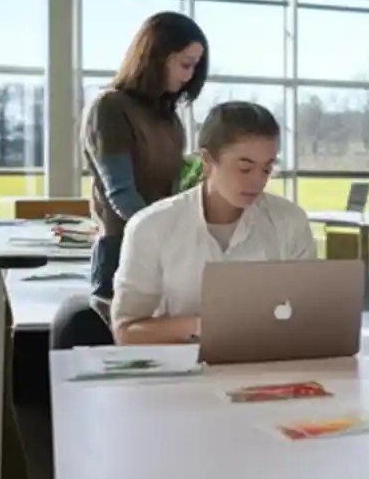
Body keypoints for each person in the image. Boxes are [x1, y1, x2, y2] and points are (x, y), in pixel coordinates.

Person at [110, 102, 316, 345]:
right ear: (207, 161)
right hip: (177, 372)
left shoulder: (289, 221)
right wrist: (206, 325)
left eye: (267, 169)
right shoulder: (151, 226)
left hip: (265, 369)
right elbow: (126, 331)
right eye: (245, 167)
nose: (257, 181)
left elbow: (311, 316)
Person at [82, 11, 209, 298]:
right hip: (122, 252)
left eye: (195, 67)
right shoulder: (110, 108)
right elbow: (121, 194)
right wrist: (168, 238)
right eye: (185, 64)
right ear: (155, 57)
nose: (189, 76)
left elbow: (172, 188)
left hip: (165, 254)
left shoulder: (168, 118)